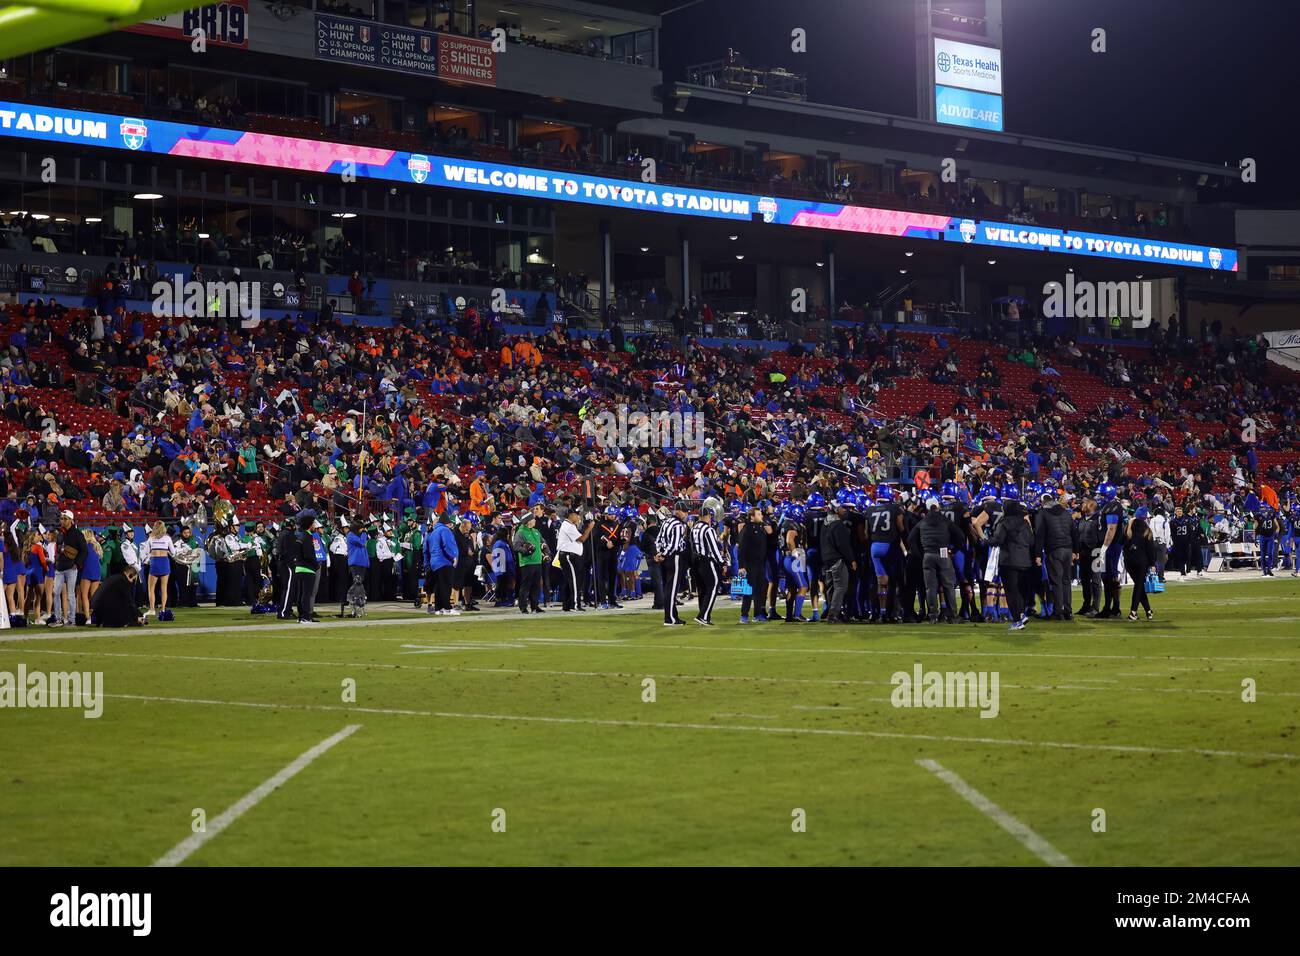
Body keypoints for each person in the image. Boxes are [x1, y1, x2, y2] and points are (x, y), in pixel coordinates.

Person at [906, 495, 963, 624]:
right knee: (948, 585)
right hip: (943, 553)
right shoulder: (944, 520)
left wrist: (920, 554)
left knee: (930, 587)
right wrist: (954, 551)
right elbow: (960, 535)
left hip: (928, 555)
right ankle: (953, 615)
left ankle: (933, 616)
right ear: (937, 507)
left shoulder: (923, 522)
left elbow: (910, 539)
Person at [988, 495, 1035, 631]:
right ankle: (1021, 614)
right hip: (1025, 562)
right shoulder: (1025, 523)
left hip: (1009, 561)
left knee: (1011, 591)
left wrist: (986, 540)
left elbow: (998, 540)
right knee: (1020, 591)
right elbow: (1031, 541)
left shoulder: (1004, 523)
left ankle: (1017, 620)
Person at [1034, 490, 1078, 621]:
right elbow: (1074, 532)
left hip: (1054, 549)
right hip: (1068, 549)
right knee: (1066, 581)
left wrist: (1037, 554)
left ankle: (1058, 611)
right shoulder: (1065, 512)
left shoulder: (1043, 513)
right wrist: (1076, 551)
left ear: (1043, 503)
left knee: (1056, 581)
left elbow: (1040, 535)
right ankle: (1068, 611)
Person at [819, 497, 856, 624]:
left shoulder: (825, 523)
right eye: (840, 507)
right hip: (836, 559)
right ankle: (833, 614)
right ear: (835, 509)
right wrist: (851, 559)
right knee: (840, 587)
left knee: (831, 588)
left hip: (826, 559)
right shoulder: (838, 524)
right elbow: (843, 545)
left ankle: (831, 611)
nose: (843, 509)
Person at [653, 501, 689, 625]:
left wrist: (659, 553)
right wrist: (664, 554)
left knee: (668, 587)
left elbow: (658, 541)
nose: (686, 514)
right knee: (671, 589)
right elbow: (674, 545)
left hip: (665, 558)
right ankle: (670, 618)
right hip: (674, 558)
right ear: (678, 511)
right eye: (685, 511)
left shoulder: (666, 522)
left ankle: (673, 616)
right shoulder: (678, 525)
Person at [690, 508, 726, 626]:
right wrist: (722, 562)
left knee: (702, 589)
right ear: (708, 516)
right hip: (707, 561)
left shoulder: (694, 528)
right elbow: (714, 548)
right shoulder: (708, 529)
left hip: (696, 561)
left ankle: (703, 615)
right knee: (713, 587)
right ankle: (703, 616)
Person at [556, 506, 594, 612]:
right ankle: (575, 605)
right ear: (571, 515)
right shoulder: (568, 526)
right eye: (576, 515)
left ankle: (567, 605)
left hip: (568, 556)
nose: (578, 517)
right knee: (574, 581)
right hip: (569, 556)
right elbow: (582, 539)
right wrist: (590, 528)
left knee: (569, 581)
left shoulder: (569, 525)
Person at [736, 506, 770, 623]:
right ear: (752, 517)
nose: (761, 516)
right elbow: (741, 549)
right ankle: (744, 615)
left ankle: (757, 614)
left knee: (759, 590)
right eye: (759, 514)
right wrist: (741, 566)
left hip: (760, 564)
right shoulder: (747, 529)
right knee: (748, 591)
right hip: (749, 564)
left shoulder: (760, 527)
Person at [52, 510, 86, 627]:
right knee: (55, 593)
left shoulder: (77, 534)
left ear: (71, 520)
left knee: (71, 595)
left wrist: (77, 564)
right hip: (60, 568)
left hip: (71, 568)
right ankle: (58, 619)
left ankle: (72, 620)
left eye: (65, 518)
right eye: (62, 518)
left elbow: (84, 551)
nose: (63, 521)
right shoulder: (60, 534)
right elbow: (58, 550)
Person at [1123, 513, 1159, 621]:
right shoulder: (1147, 530)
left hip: (1129, 562)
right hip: (1142, 562)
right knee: (1139, 586)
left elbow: (1121, 543)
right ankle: (1133, 611)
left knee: (1139, 586)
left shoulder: (1127, 529)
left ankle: (1148, 611)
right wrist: (1152, 564)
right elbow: (1151, 549)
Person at [423, 511, 460, 616]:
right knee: (445, 586)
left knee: (439, 586)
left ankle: (439, 608)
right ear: (447, 523)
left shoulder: (433, 532)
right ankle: (447, 608)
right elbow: (448, 545)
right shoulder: (445, 530)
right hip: (444, 562)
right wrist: (453, 557)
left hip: (435, 563)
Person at [512, 510, 544, 614]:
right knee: (526, 586)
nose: (535, 520)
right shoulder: (520, 532)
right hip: (527, 562)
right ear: (528, 521)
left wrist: (545, 550)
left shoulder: (536, 531)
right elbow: (516, 546)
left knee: (536, 586)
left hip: (537, 561)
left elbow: (542, 543)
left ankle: (535, 606)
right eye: (533, 519)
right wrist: (526, 550)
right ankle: (523, 607)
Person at [143, 520, 173, 619]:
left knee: (151, 588)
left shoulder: (150, 539)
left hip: (155, 562)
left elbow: (146, 552)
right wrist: (167, 550)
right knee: (164, 588)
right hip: (164, 562)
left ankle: (152, 609)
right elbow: (173, 552)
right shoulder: (168, 538)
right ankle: (163, 609)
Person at [76, 529, 102, 625]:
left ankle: (88, 618)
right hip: (97, 572)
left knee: (84, 596)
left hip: (86, 571)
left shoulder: (83, 546)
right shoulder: (97, 546)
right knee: (94, 597)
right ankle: (95, 617)